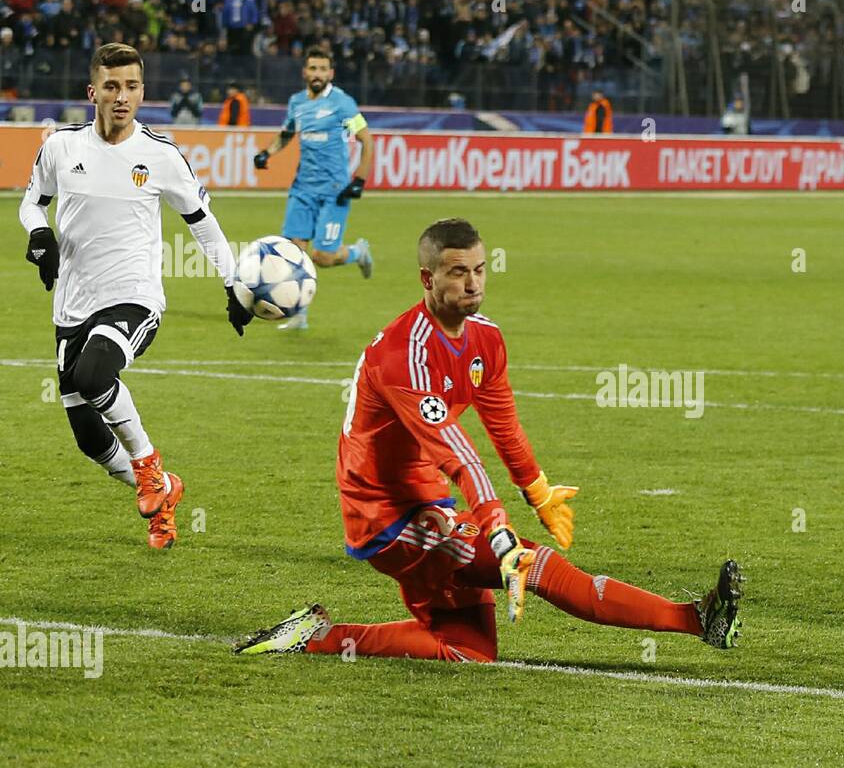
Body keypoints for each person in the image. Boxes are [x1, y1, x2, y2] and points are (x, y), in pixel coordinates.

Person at [234, 218, 743, 659]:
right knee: (536, 563)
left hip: (425, 496)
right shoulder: (402, 355)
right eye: (458, 272)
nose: (472, 283)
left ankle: (316, 636)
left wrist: (536, 488)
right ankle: (699, 620)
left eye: (478, 270)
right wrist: (498, 532)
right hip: (384, 514)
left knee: (467, 649)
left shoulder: (485, 337)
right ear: (427, 279)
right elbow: (459, 454)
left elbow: (502, 423)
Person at [18, 43, 249, 550]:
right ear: (92, 91)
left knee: (94, 375)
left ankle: (149, 467)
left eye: (131, 87)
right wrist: (39, 235)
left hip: (133, 296)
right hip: (72, 304)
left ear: (142, 91)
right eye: (111, 86)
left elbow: (201, 222)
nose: (122, 97)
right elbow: (31, 203)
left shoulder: (160, 155)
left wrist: (232, 282)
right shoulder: (60, 147)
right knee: (86, 435)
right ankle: (163, 494)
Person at [252, 47, 374, 329]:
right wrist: (267, 154)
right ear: (304, 72)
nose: (317, 74)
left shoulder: (343, 103)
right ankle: (299, 315)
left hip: (334, 191)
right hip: (302, 189)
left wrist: (359, 180)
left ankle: (358, 252)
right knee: (295, 256)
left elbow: (367, 140)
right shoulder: (296, 102)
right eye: (313, 68)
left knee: (323, 257)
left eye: (323, 69)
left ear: (330, 73)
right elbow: (286, 134)